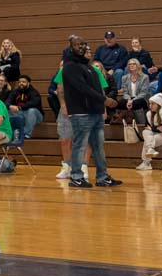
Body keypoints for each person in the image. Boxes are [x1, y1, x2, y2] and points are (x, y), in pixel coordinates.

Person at [60, 35, 121, 188]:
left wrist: (102, 106)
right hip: (81, 113)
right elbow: (82, 88)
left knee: (99, 146)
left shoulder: (91, 68)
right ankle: (76, 176)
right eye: (77, 45)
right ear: (71, 47)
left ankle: (102, 177)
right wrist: (104, 100)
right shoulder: (69, 67)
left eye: (83, 44)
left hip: (95, 113)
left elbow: (97, 88)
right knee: (80, 145)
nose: (80, 47)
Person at [52, 52, 106, 181]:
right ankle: (66, 166)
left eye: (88, 52)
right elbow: (60, 87)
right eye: (83, 52)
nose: (86, 54)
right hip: (69, 108)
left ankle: (83, 166)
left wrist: (102, 108)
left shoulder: (94, 70)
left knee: (86, 140)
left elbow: (101, 90)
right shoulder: (67, 69)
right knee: (65, 138)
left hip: (88, 109)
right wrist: (63, 105)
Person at [137, 93, 162, 172]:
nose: (150, 106)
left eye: (153, 104)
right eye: (150, 104)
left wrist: (152, 128)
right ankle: (150, 150)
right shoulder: (148, 113)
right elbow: (147, 128)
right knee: (145, 132)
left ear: (158, 104)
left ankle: (146, 163)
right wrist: (154, 129)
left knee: (147, 141)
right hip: (155, 133)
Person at [7, 75, 43, 145]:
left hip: (35, 116)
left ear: (28, 83)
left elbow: (34, 103)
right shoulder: (15, 92)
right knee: (8, 111)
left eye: (23, 82)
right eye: (20, 82)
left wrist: (20, 107)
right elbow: (7, 101)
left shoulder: (34, 92)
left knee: (32, 110)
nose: (21, 83)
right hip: (21, 114)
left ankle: (25, 134)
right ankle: (11, 133)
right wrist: (10, 106)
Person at [117, 58, 152, 123]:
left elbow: (143, 93)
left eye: (134, 64)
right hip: (129, 98)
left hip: (142, 98)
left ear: (138, 65)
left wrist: (132, 101)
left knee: (136, 103)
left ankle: (141, 124)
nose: (132, 65)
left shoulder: (145, 77)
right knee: (121, 103)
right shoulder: (124, 77)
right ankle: (122, 123)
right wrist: (129, 100)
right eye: (130, 64)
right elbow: (125, 92)